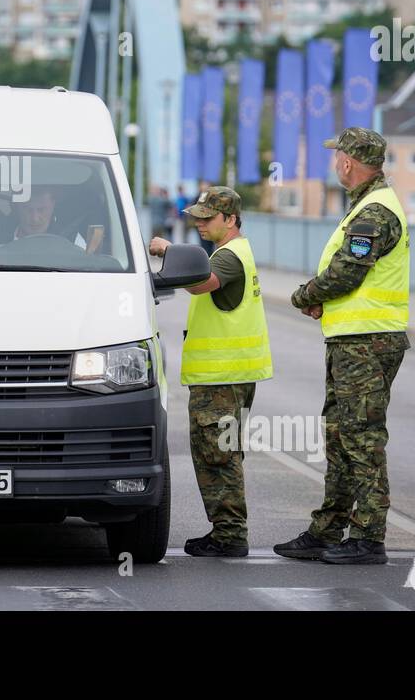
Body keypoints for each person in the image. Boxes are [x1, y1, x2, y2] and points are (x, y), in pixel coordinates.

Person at [274, 127, 409, 566]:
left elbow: (345, 274)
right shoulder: (366, 207)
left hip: (367, 343)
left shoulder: (374, 212)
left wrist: (306, 296)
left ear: (348, 162)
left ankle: (369, 537)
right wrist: (322, 303)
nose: (335, 163)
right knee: (340, 436)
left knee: (361, 439)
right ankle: (329, 529)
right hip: (352, 340)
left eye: (338, 157)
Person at [149, 186, 271, 557]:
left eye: (207, 217)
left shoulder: (230, 257)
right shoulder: (232, 252)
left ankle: (230, 535)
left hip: (223, 378)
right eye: (197, 217)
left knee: (220, 454)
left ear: (230, 219)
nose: (199, 223)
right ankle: (225, 531)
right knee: (219, 452)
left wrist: (169, 252)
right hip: (226, 376)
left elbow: (203, 282)